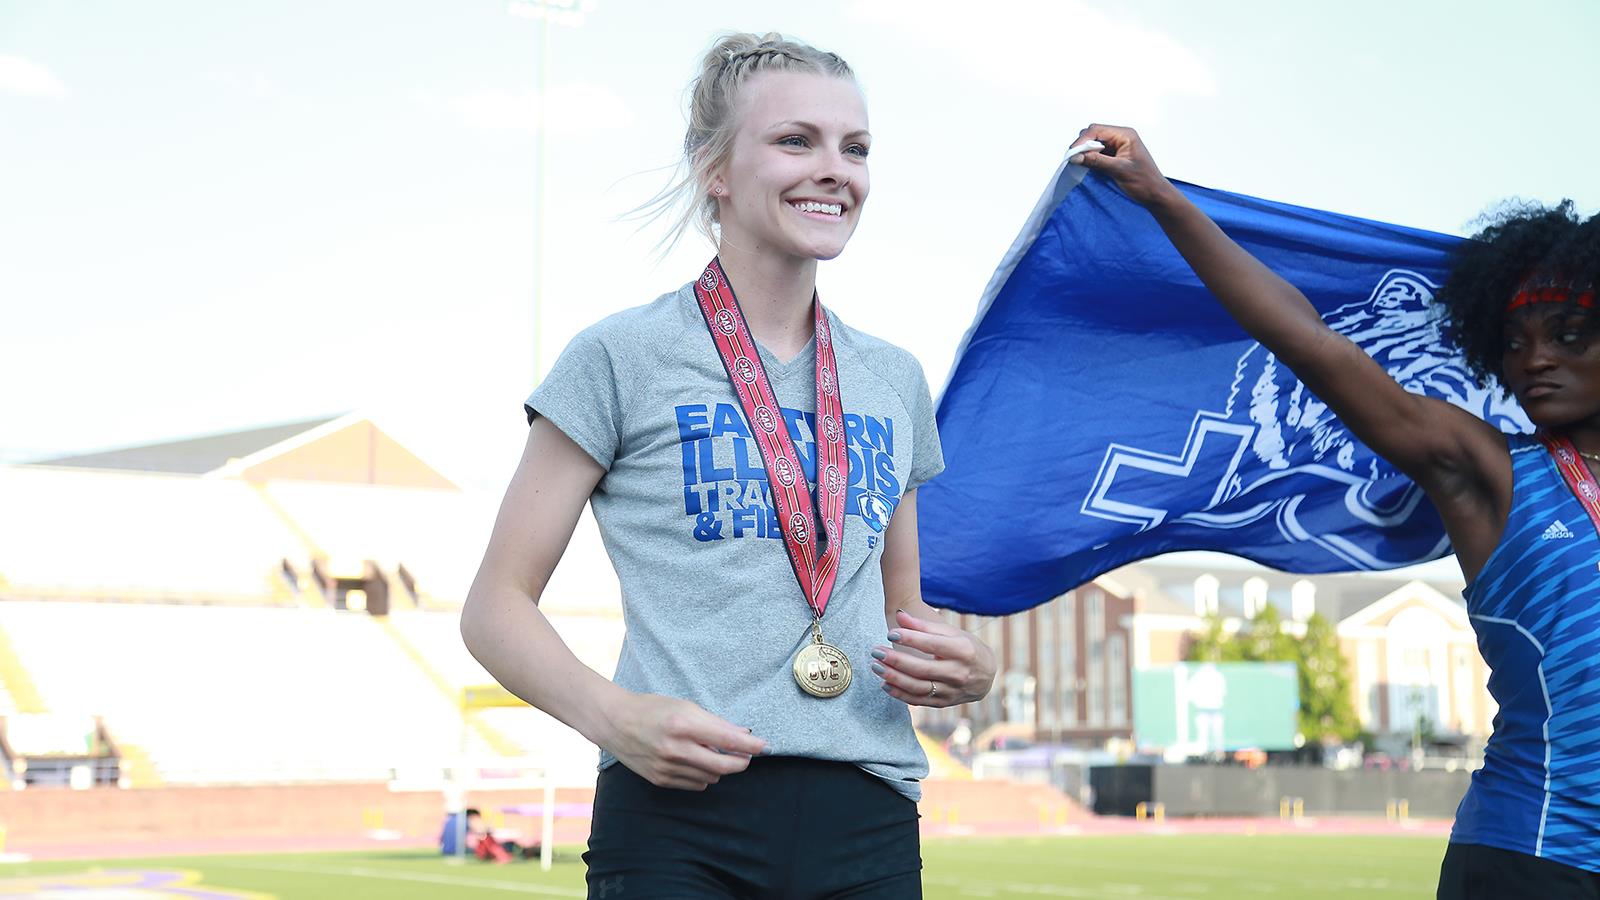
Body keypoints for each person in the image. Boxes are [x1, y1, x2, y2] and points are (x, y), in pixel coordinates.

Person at [460, 32, 997, 899]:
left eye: (854, 148)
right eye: (796, 140)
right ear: (716, 170)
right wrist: (616, 717)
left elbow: (904, 612)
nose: (836, 168)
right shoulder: (618, 357)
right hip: (676, 817)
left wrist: (969, 667)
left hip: (868, 817)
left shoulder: (894, 379)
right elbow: (493, 606)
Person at [1070, 124, 1599, 898]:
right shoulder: (1487, 470)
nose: (1535, 358)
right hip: (1535, 857)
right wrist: (1163, 197)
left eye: (1569, 334)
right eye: (1514, 341)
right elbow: (1311, 342)